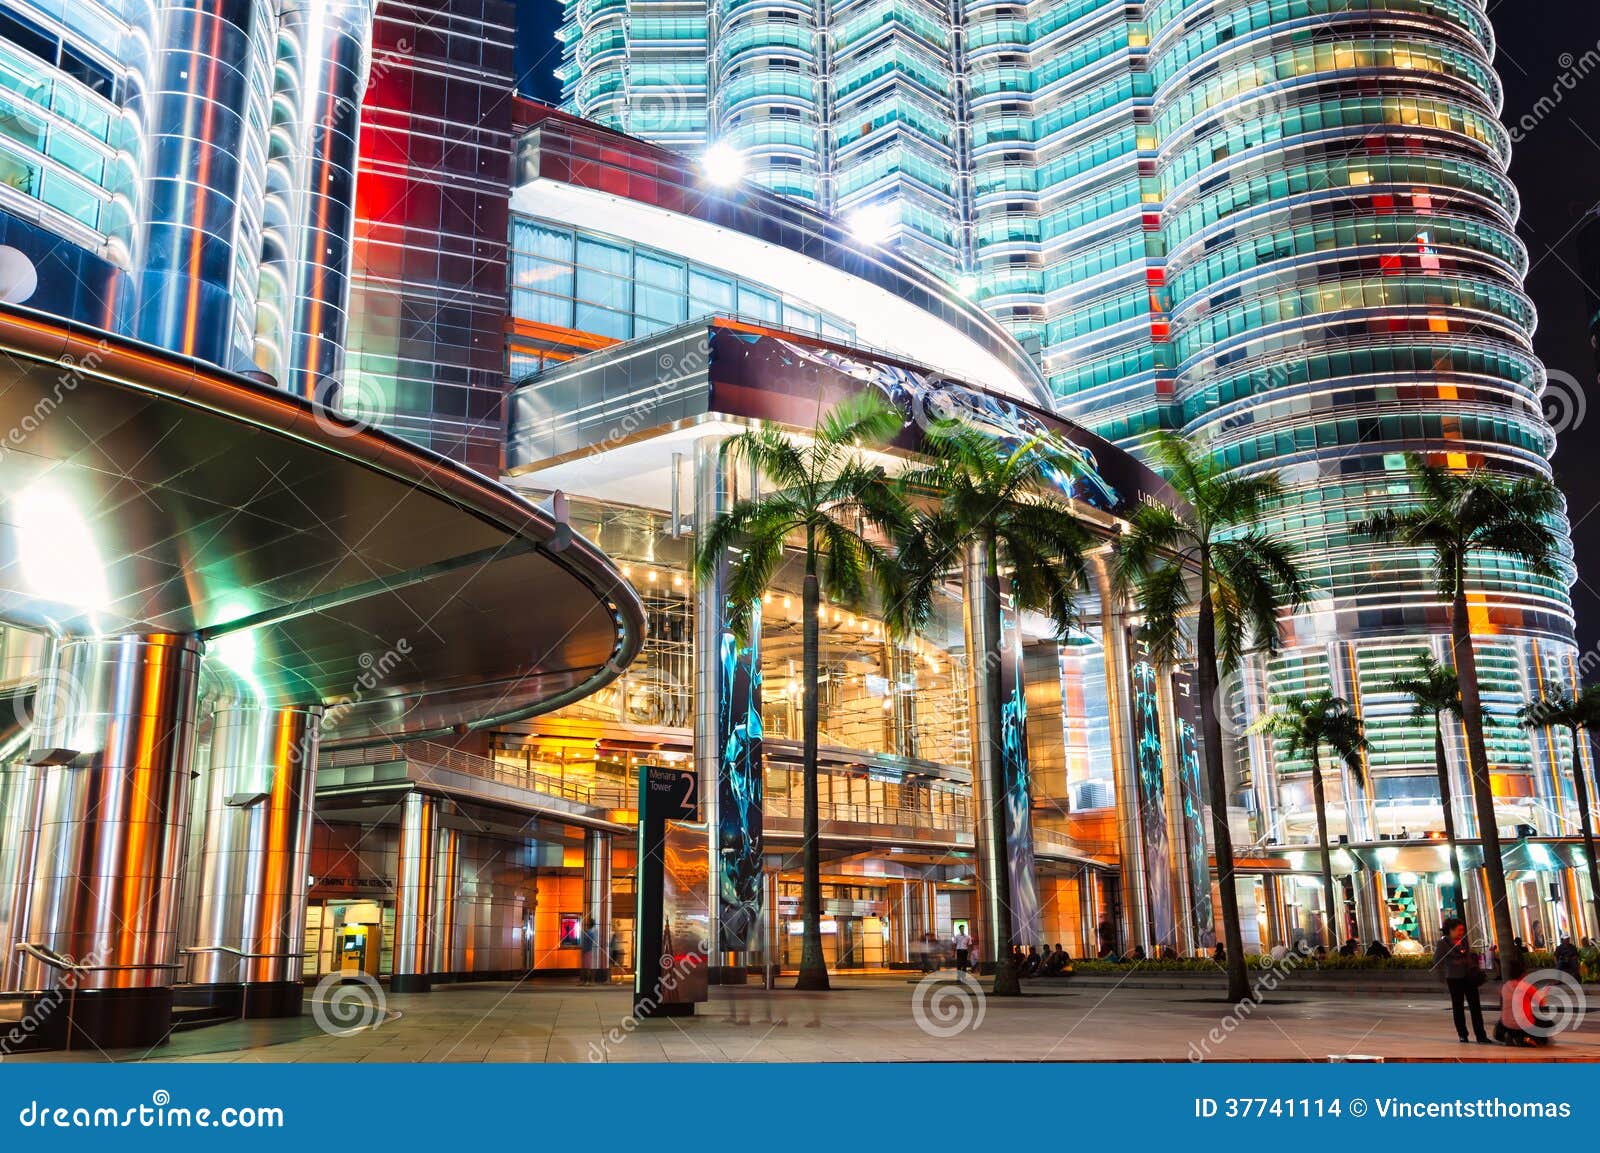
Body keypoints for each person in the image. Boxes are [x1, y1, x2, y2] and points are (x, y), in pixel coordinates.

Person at [1434, 917, 1492, 1043]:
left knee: (1475, 1006)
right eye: (1459, 930)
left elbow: (1469, 956)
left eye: (1462, 930)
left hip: (1469, 977)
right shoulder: (1443, 944)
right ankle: (1462, 1034)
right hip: (1454, 979)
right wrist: (1443, 975)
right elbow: (1437, 961)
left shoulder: (1464, 941)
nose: (1461, 932)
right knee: (1458, 1007)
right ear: (1451, 930)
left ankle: (1481, 1035)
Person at [1494, 950, 1551, 1047]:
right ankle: (1526, 1039)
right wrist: (1543, 994)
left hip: (1506, 1023)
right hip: (1523, 1024)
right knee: (1547, 1023)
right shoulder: (1526, 987)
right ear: (1523, 974)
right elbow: (1541, 1003)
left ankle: (1511, 1036)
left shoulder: (1505, 986)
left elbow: (1502, 1005)